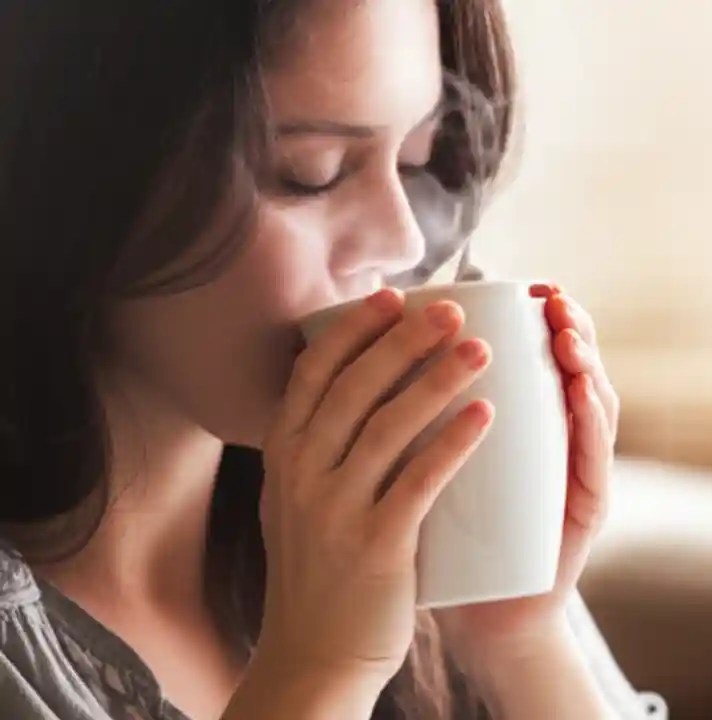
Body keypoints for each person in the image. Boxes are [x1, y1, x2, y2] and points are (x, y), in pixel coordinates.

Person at [0, 1, 664, 718]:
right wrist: (320, 672)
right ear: (79, 162)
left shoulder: (417, 530)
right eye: (310, 173)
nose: (404, 240)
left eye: (414, 163)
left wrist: (522, 641)